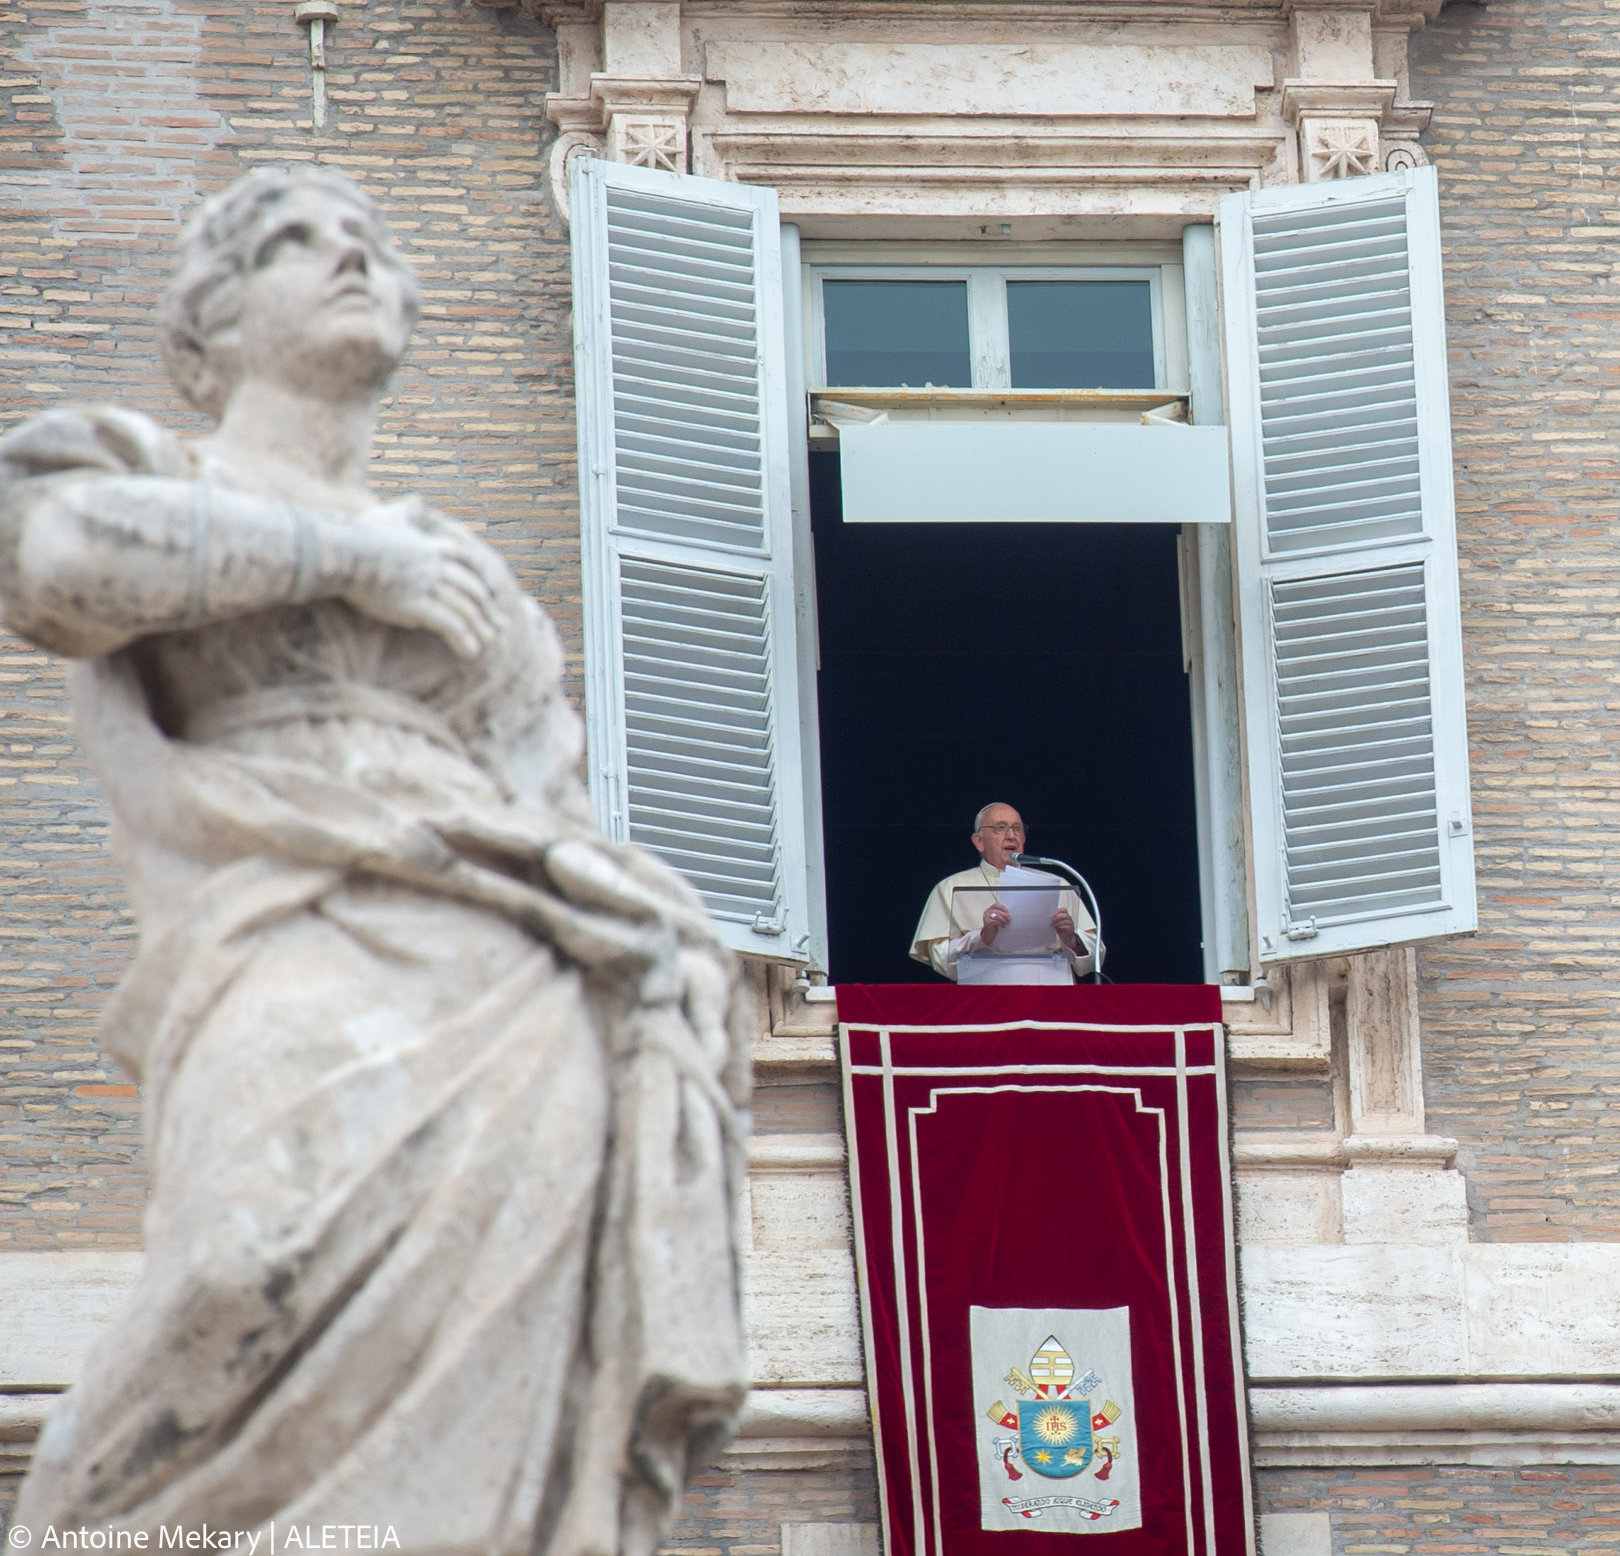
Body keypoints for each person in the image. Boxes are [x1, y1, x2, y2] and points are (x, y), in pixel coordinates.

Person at [0, 166, 750, 1552]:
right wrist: (344, 559)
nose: (347, 259)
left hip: (515, 981)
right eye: (293, 243)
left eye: (369, 244)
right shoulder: (144, 466)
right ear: (206, 332)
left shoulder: (471, 574)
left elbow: (547, 796)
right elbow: (55, 561)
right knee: (241, 1259)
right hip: (277, 924)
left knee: (514, 1347)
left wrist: (653, 935)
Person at [908, 801, 1103, 984]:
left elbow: (1096, 957)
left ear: (1024, 838)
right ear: (979, 842)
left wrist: (1072, 939)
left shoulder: (1058, 885)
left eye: (1017, 828)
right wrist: (982, 937)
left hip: (1050, 999)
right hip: (985, 1001)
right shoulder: (950, 887)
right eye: (1000, 828)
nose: (1011, 835)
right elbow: (941, 961)